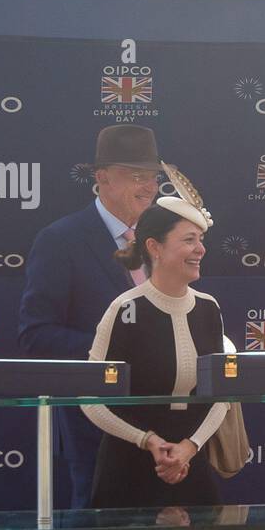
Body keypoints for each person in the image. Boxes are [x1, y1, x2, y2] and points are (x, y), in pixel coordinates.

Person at [19, 125, 164, 508]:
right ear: (101, 178)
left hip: (167, 421)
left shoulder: (165, 240)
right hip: (95, 425)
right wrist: (117, 351)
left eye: (152, 176)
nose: (148, 185)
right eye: (136, 175)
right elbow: (36, 336)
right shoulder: (60, 240)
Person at [81, 195, 227, 508]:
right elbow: (90, 400)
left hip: (190, 465)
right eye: (189, 240)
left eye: (200, 240)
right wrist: (148, 441)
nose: (201, 249)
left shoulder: (208, 308)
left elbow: (223, 396)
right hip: (128, 468)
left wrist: (189, 448)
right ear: (154, 247)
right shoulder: (124, 309)